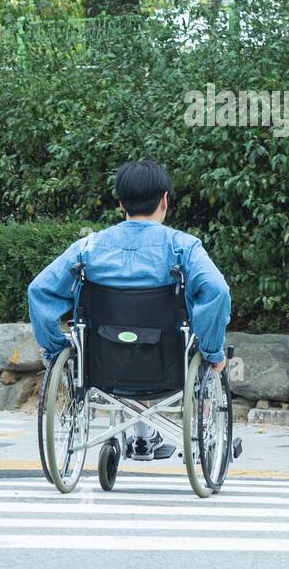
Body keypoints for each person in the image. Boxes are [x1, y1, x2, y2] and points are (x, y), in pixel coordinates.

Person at [27, 158, 231, 460]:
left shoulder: (90, 248)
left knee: (125, 347)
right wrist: (212, 350)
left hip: (102, 366)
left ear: (121, 203)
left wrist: (55, 350)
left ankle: (140, 436)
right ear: (164, 199)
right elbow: (216, 290)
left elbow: (39, 290)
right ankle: (151, 436)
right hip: (167, 364)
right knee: (166, 346)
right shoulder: (183, 247)